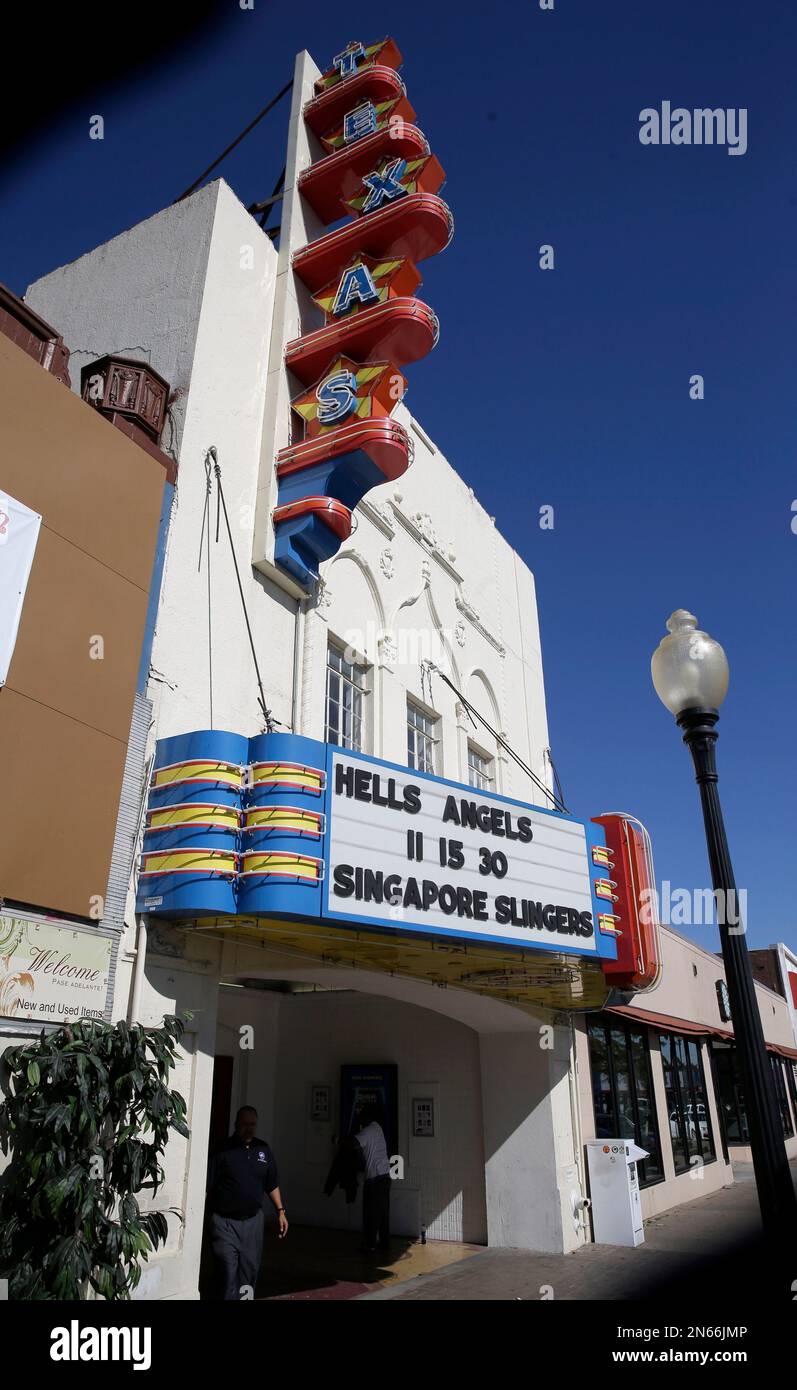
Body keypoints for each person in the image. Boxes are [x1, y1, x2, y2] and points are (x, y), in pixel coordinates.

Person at [206, 1105, 288, 1299]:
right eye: (244, 1124)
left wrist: (280, 1211)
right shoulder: (222, 1150)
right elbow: (207, 1184)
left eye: (252, 1124)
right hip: (224, 1223)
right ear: (236, 1124)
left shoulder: (263, 1150)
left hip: (253, 1223)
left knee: (249, 1273)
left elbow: (272, 1183)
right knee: (226, 1271)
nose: (249, 1128)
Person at [354, 1102, 391, 1253]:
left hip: (375, 1179)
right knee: (382, 1214)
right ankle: (384, 1243)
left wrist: (337, 1140)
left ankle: (369, 1245)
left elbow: (354, 1143)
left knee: (371, 1214)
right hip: (384, 1177)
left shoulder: (368, 1130)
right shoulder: (377, 1128)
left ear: (367, 1116)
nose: (359, 1118)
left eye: (361, 1114)